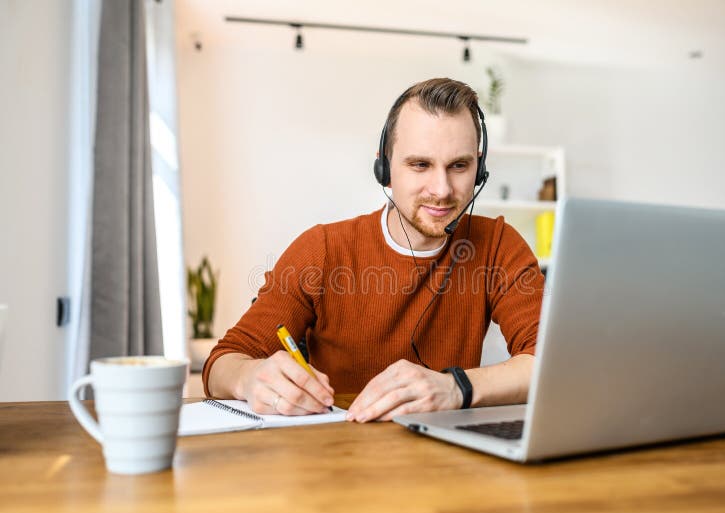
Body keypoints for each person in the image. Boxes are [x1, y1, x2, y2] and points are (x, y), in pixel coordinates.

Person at [203, 78, 545, 422]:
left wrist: (456, 388)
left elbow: (554, 361)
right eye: (420, 165)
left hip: (449, 461)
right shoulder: (322, 249)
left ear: (479, 168)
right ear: (384, 168)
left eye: (459, 166)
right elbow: (223, 363)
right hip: (339, 455)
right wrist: (251, 379)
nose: (442, 190)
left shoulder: (499, 245)